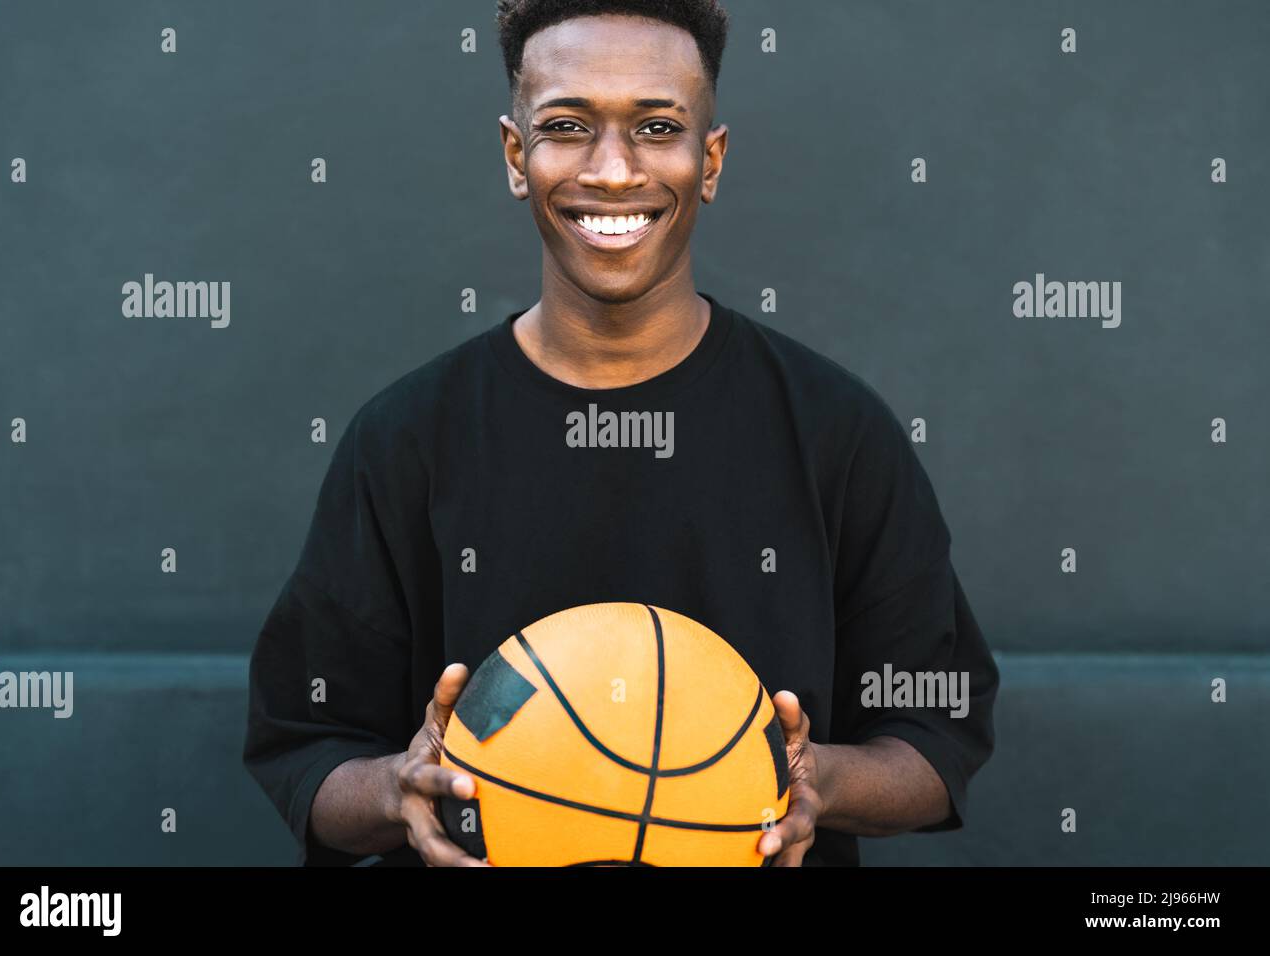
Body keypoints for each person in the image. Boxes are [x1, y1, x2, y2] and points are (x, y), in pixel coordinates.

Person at [243, 0, 998, 867]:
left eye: (656, 126)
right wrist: (395, 789)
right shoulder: (406, 438)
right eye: (566, 125)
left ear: (708, 160)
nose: (611, 171)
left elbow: (937, 736)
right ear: (515, 156)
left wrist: (816, 780)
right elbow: (308, 744)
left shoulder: (837, 431)